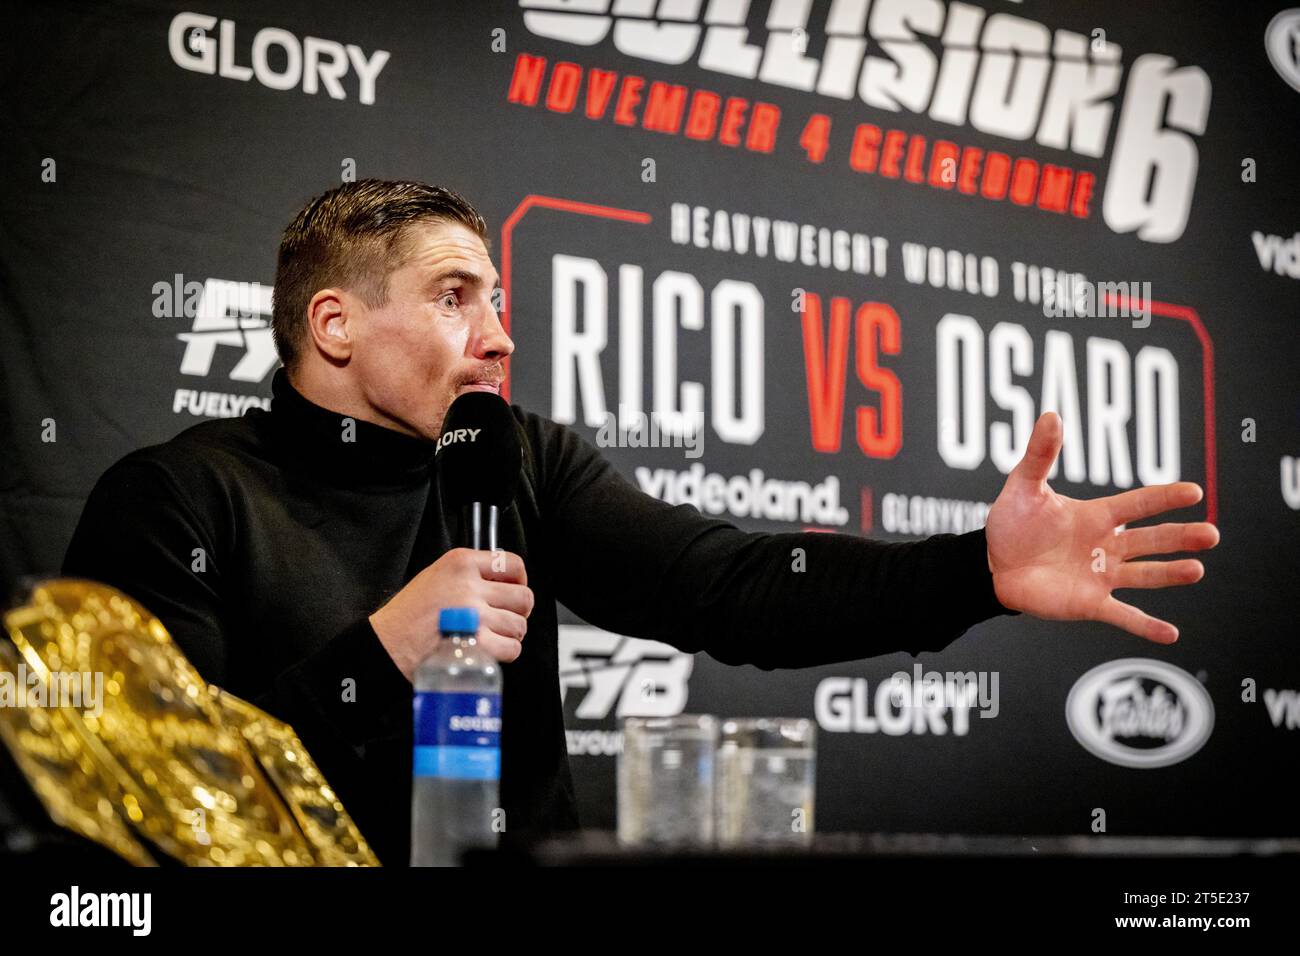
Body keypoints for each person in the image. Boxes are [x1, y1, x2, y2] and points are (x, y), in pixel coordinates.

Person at [62, 179, 1219, 865]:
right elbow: (142, 796)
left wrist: (975, 568)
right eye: (455, 297)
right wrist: (385, 653)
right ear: (333, 325)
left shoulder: (518, 458)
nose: (499, 335)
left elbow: (737, 586)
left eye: (499, 302)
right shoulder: (175, 498)